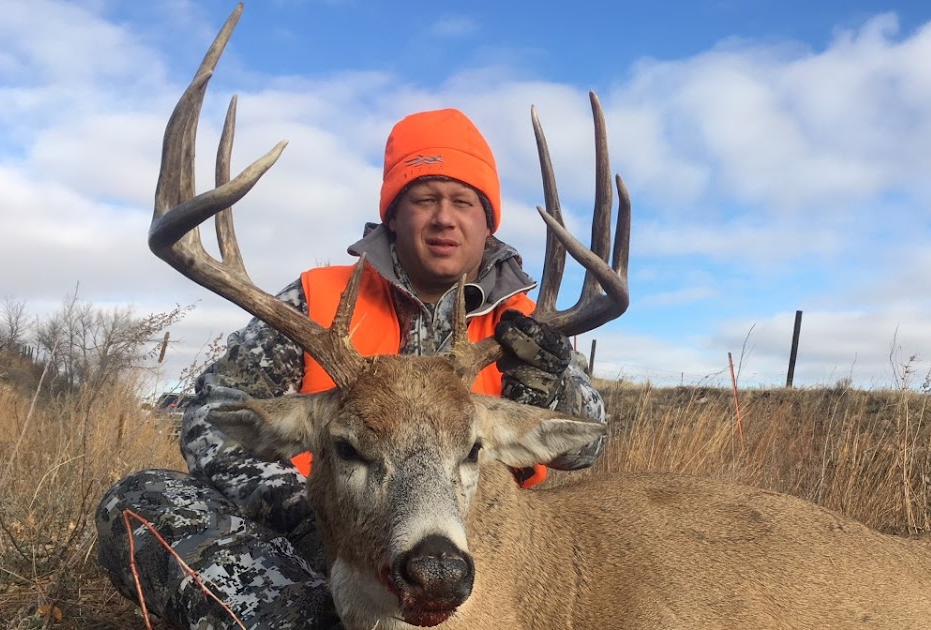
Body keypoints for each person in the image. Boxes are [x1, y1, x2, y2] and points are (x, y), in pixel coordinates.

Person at [95, 108, 608, 629]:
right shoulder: (317, 299)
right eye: (424, 198)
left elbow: (586, 444)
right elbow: (214, 417)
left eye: (464, 202)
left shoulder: (525, 330)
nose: (445, 218)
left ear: (487, 219)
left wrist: (547, 386)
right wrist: (315, 516)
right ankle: (298, 617)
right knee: (139, 502)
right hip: (312, 539)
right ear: (393, 213)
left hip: (471, 556)